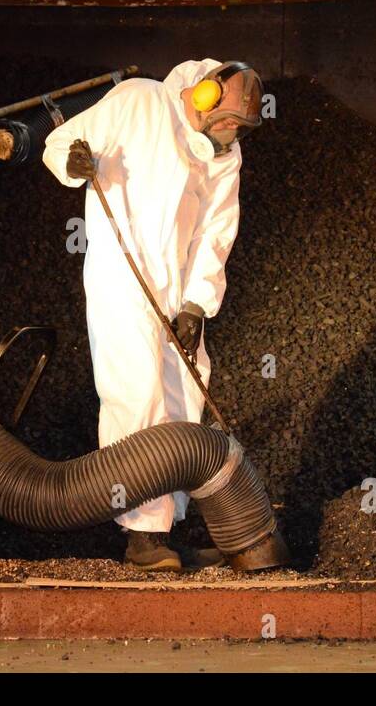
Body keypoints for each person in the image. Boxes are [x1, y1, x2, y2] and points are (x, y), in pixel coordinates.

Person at [42, 59, 264, 570]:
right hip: (122, 279)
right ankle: (141, 537)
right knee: (136, 396)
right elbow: (61, 144)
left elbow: (216, 231)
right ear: (204, 95)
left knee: (185, 394)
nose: (232, 133)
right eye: (228, 120)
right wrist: (74, 164)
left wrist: (196, 304)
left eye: (242, 127)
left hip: (176, 286)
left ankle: (168, 526)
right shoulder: (139, 101)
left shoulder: (224, 155)